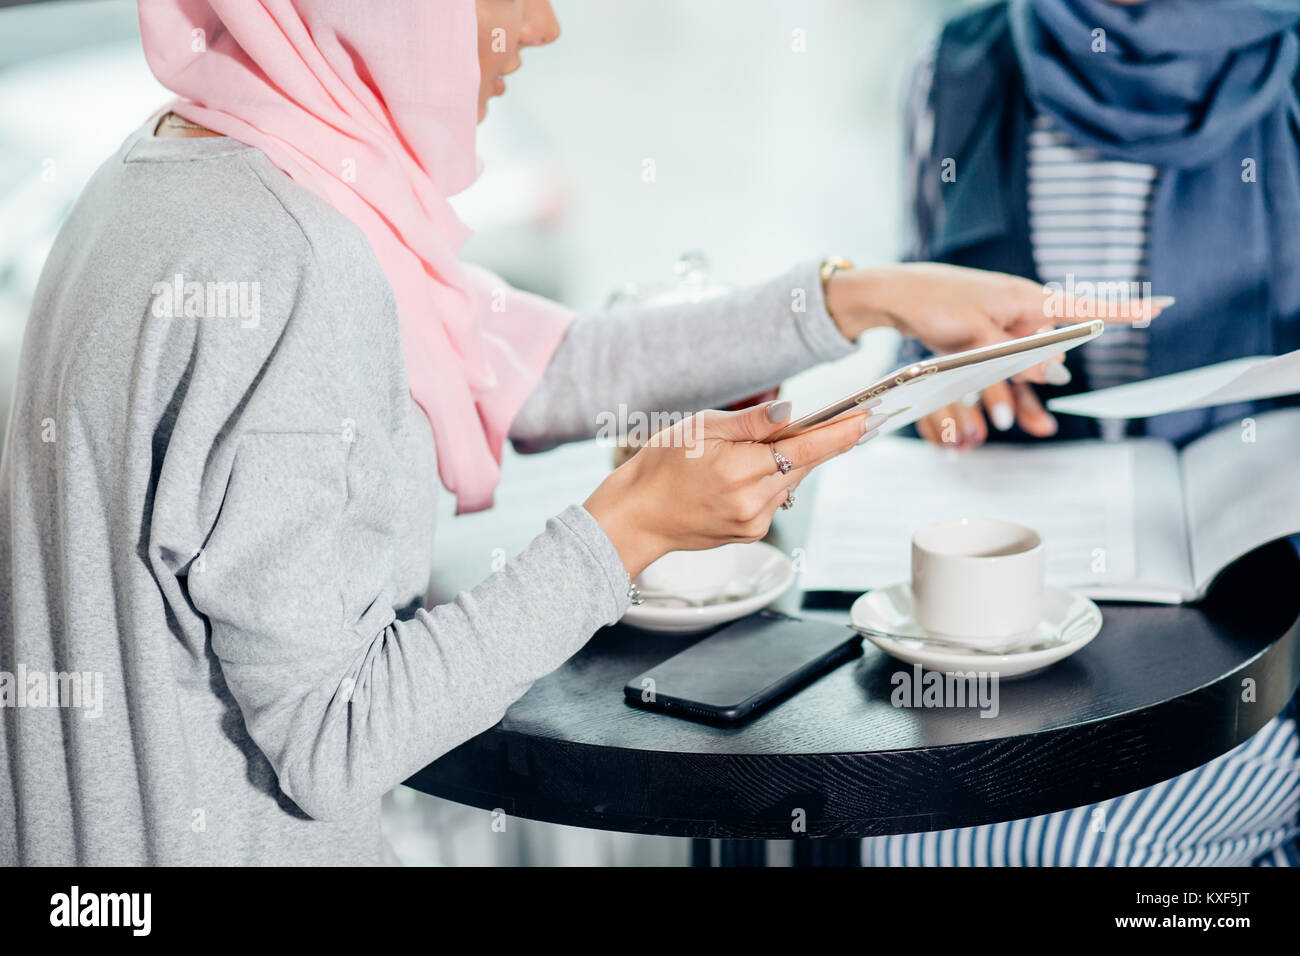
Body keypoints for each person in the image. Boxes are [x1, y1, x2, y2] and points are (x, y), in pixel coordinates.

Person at [0, 0, 1120, 865]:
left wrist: (862, 296)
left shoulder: (173, 179)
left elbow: (533, 365)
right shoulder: (294, 259)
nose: (542, 26)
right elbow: (336, 735)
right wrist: (622, 532)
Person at [865, 0, 1300, 866]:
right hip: (1021, 635)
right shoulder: (956, 64)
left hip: (1262, 653)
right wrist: (947, 395)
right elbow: (920, 347)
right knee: (910, 832)